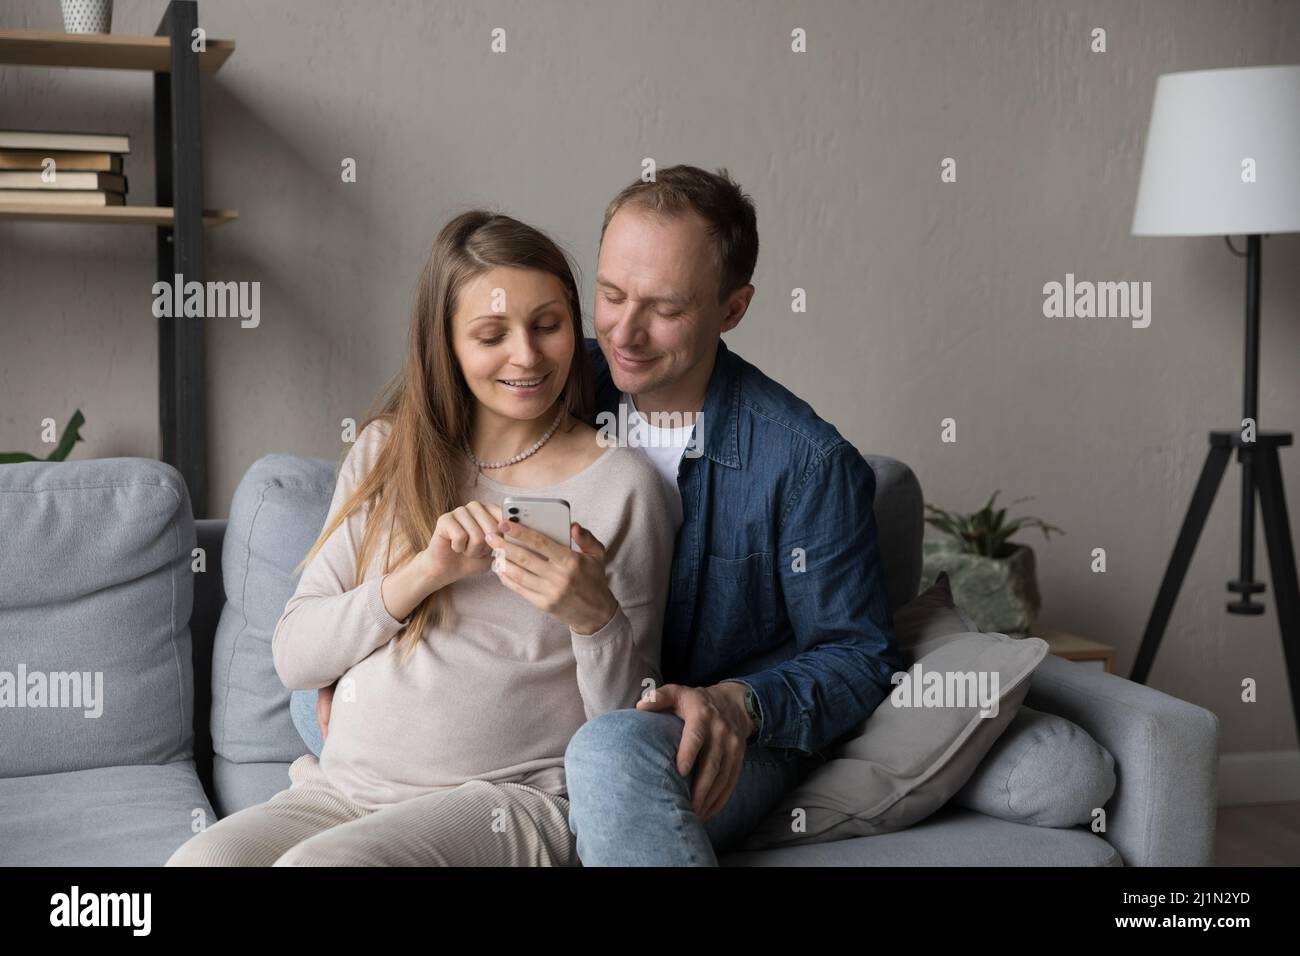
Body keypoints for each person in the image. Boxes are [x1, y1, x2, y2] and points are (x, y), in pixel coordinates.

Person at [302, 165, 903, 866]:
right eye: (611, 295)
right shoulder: (554, 377)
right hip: (565, 697)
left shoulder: (806, 463)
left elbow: (862, 657)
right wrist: (359, 647)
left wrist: (743, 702)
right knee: (319, 695)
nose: (625, 332)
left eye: (666, 309)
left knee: (610, 753)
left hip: (695, 727)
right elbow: (419, 443)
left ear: (732, 309)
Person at [166, 210, 675, 866]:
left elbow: (625, 730)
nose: (526, 354)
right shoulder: (388, 453)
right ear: (447, 343)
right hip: (345, 792)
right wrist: (423, 574)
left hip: (505, 801)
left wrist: (593, 617)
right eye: (492, 334)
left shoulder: (623, 484)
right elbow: (295, 657)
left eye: (547, 325)